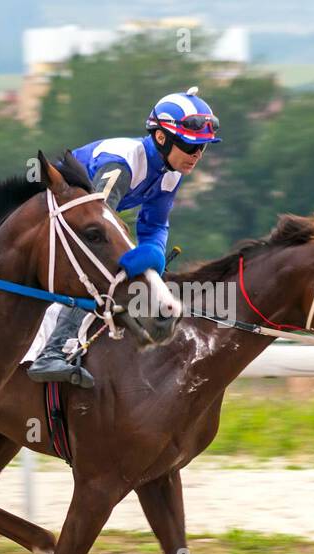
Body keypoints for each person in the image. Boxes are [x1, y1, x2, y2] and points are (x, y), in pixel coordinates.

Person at [27, 88, 221, 388]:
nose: (197, 154)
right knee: (100, 273)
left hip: (80, 227)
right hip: (47, 220)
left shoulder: (171, 172)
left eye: (202, 147)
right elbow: (94, 230)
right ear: (161, 138)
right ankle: (52, 351)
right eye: (189, 145)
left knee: (140, 274)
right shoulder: (122, 163)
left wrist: (154, 252)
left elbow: (155, 225)